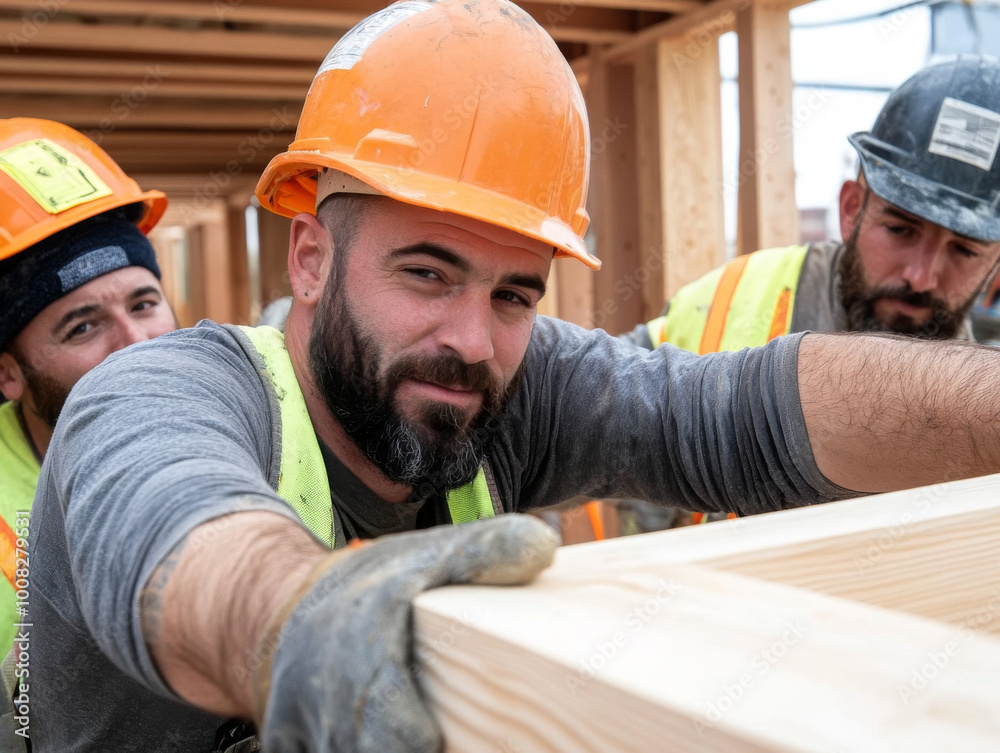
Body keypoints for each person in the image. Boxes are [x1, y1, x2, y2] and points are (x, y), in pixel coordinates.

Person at [24, 3, 1000, 751]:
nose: (471, 338)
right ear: (311, 257)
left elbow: (731, 410)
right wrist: (297, 614)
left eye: (513, 294)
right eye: (426, 272)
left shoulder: (509, 387)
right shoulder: (160, 396)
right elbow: (180, 536)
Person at [618, 55, 1000, 527]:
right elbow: (566, 408)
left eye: (963, 250)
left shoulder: (986, 422)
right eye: (901, 230)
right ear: (851, 209)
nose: (921, 277)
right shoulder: (726, 299)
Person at [0, 118, 176, 660]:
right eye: (83, 326)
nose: (136, 344)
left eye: (143, 304)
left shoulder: (267, 426)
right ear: (8, 373)